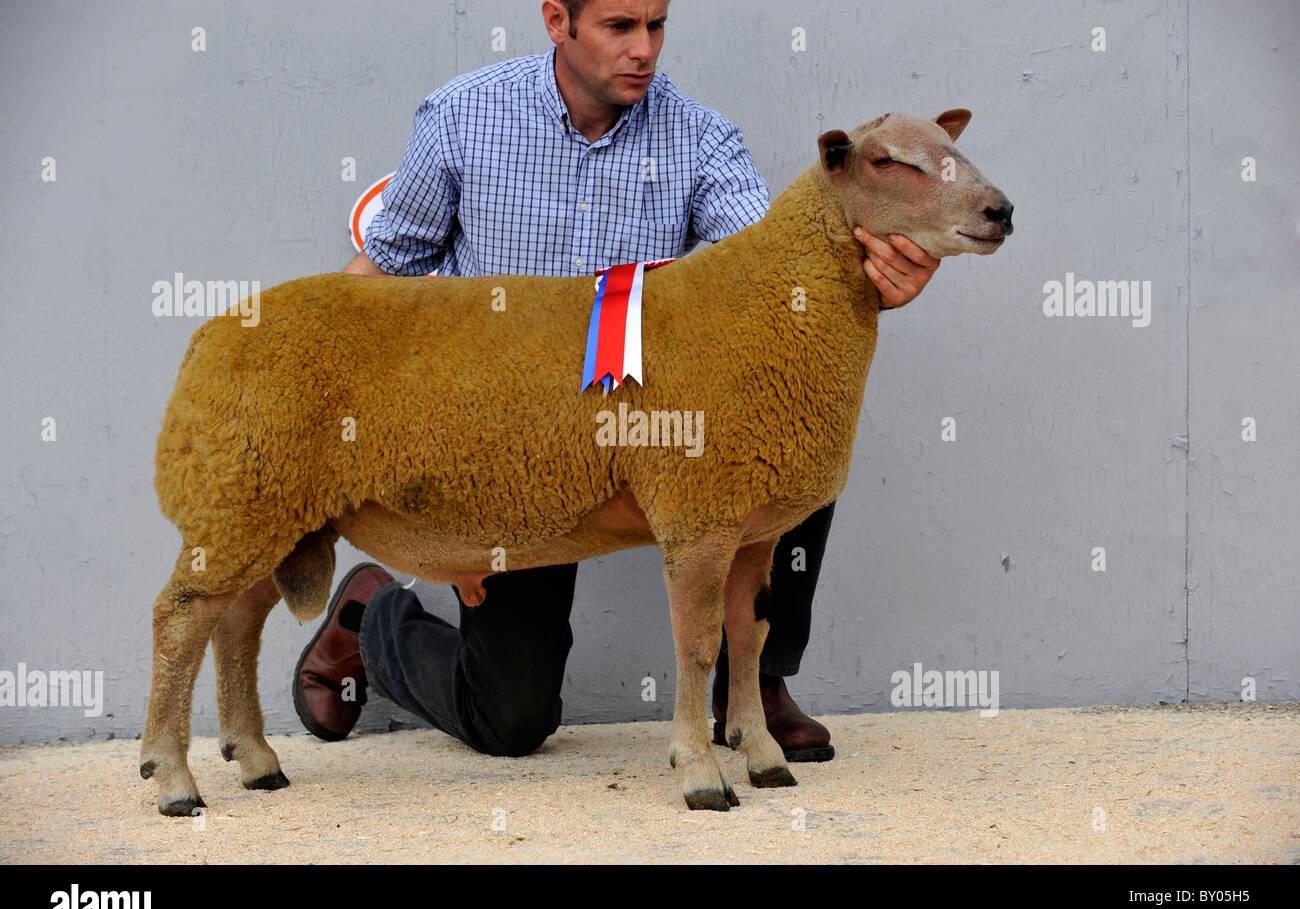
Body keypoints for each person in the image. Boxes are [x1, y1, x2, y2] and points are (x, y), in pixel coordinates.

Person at [294, 0, 938, 763]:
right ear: (557, 20)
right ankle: (373, 619)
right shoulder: (464, 116)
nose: (644, 49)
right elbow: (376, 282)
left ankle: (753, 681)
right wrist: (377, 461)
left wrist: (881, 280)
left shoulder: (702, 139)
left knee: (789, 428)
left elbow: (777, 288)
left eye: (656, 26)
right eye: (619, 27)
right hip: (510, 439)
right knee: (511, 720)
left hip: (641, 431)